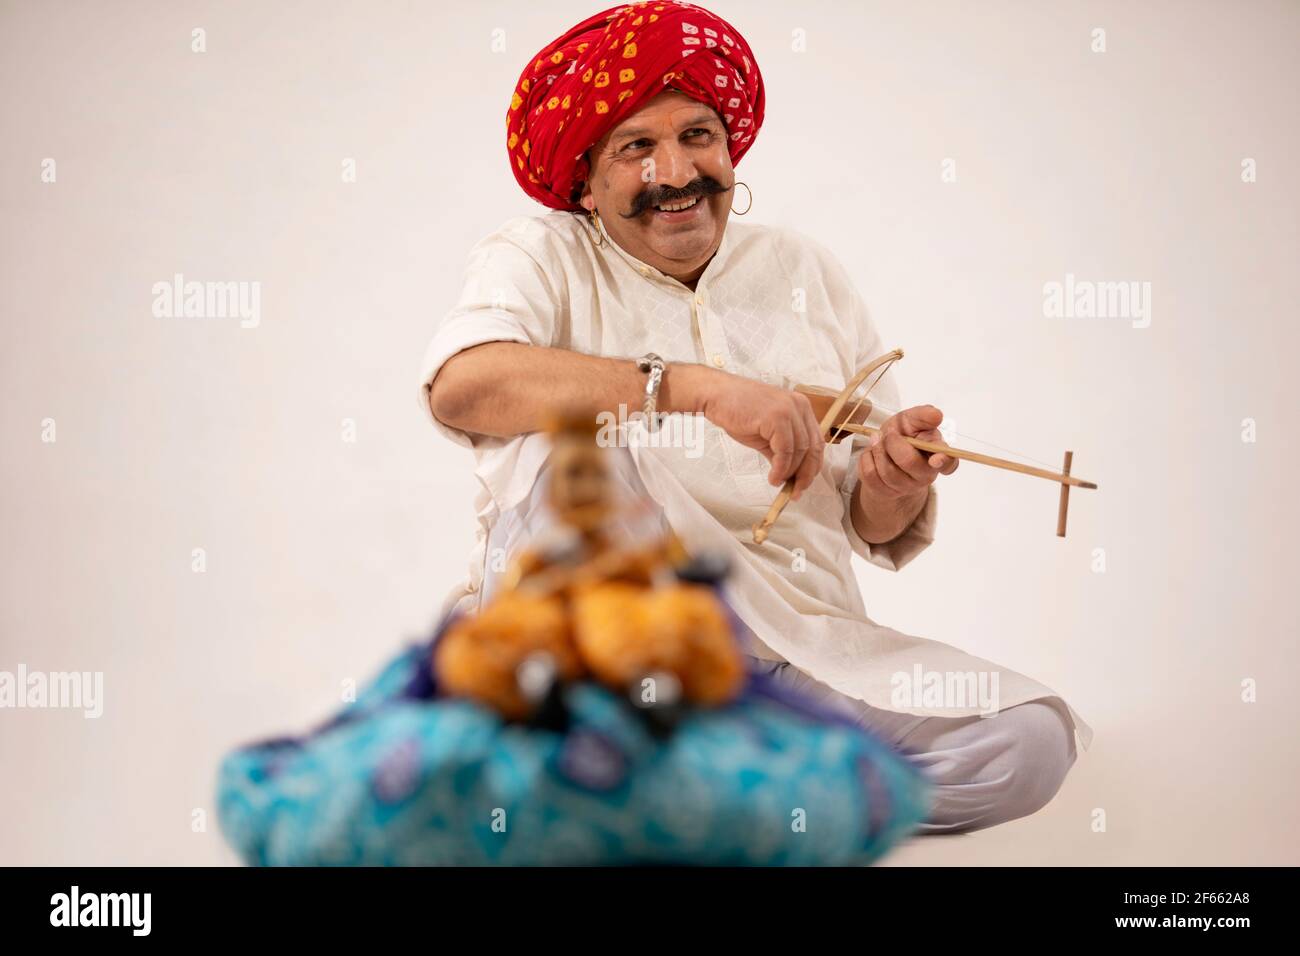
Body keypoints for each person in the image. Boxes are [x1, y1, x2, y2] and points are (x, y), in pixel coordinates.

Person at [420, 2, 1088, 833]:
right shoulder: (539, 255)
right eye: (637, 147)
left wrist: (890, 481)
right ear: (586, 184)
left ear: (730, 149)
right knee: (582, 452)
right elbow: (463, 386)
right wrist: (695, 388)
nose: (676, 172)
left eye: (698, 134)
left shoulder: (801, 268)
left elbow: (865, 518)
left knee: (1027, 741)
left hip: (791, 649)